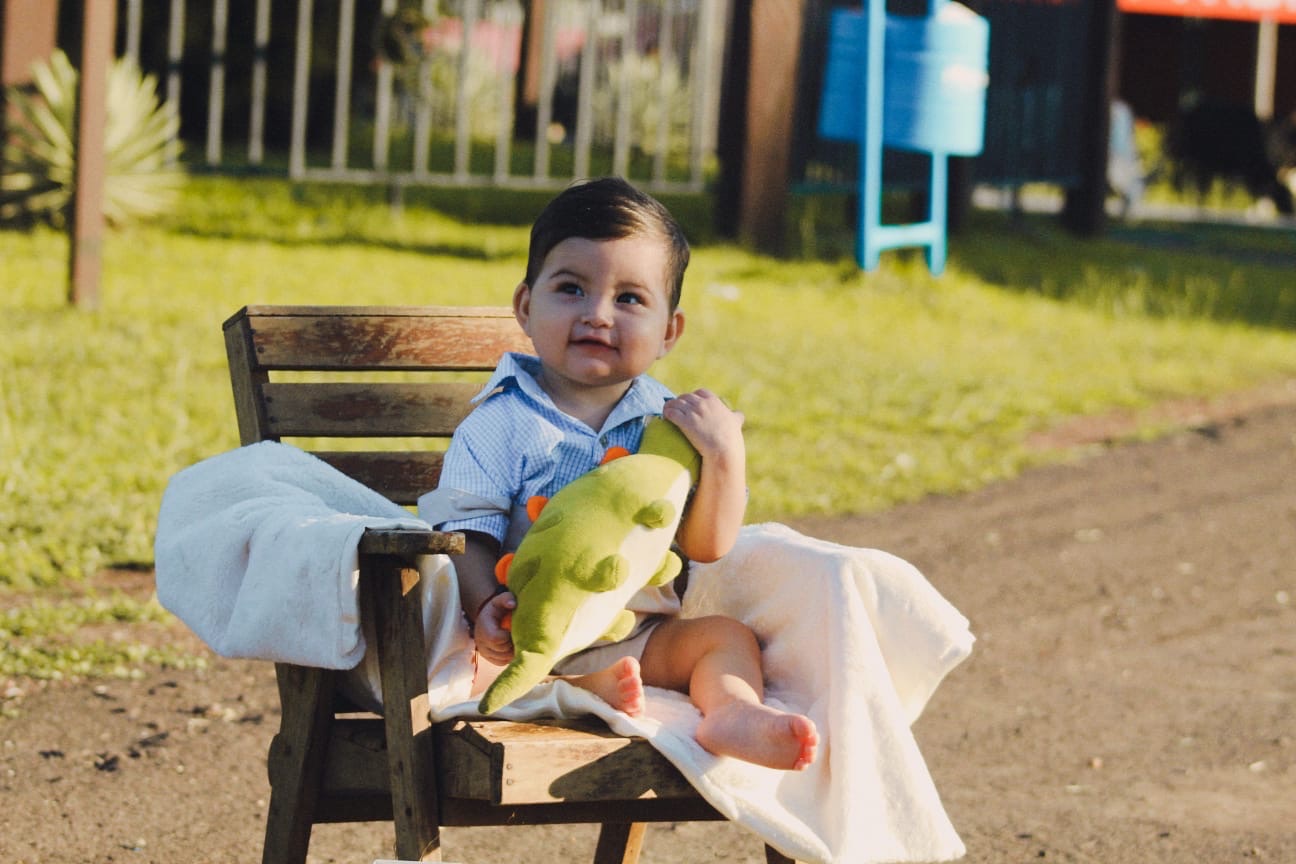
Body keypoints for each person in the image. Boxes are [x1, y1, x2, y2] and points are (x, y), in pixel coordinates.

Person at [421, 177, 818, 771]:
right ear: (526, 306)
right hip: (528, 630)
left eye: (629, 299)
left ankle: (732, 711)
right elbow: (467, 530)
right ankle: (577, 687)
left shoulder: (670, 422)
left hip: (639, 633)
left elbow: (706, 544)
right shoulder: (502, 421)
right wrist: (484, 608)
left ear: (668, 332)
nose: (597, 315)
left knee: (726, 639)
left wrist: (724, 455)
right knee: (485, 660)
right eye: (572, 289)